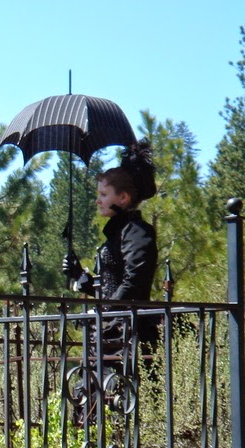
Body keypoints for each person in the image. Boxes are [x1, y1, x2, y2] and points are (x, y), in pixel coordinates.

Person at [61, 138, 158, 421]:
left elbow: (133, 284)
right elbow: (110, 285)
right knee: (90, 407)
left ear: (123, 198)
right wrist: (82, 277)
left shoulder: (138, 233)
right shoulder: (117, 235)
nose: (98, 200)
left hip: (128, 336)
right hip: (108, 335)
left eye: (104, 194)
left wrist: (104, 313)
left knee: (122, 409)